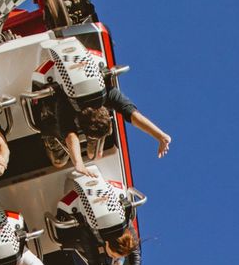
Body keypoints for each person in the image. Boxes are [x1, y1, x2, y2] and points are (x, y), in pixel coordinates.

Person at [33, 43, 170, 172]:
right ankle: (79, 141)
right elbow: (71, 136)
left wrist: (161, 136)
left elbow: (133, 115)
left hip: (71, 58)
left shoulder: (106, 94)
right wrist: (78, 162)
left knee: (95, 150)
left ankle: (95, 140)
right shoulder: (68, 105)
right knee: (59, 161)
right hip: (54, 81)